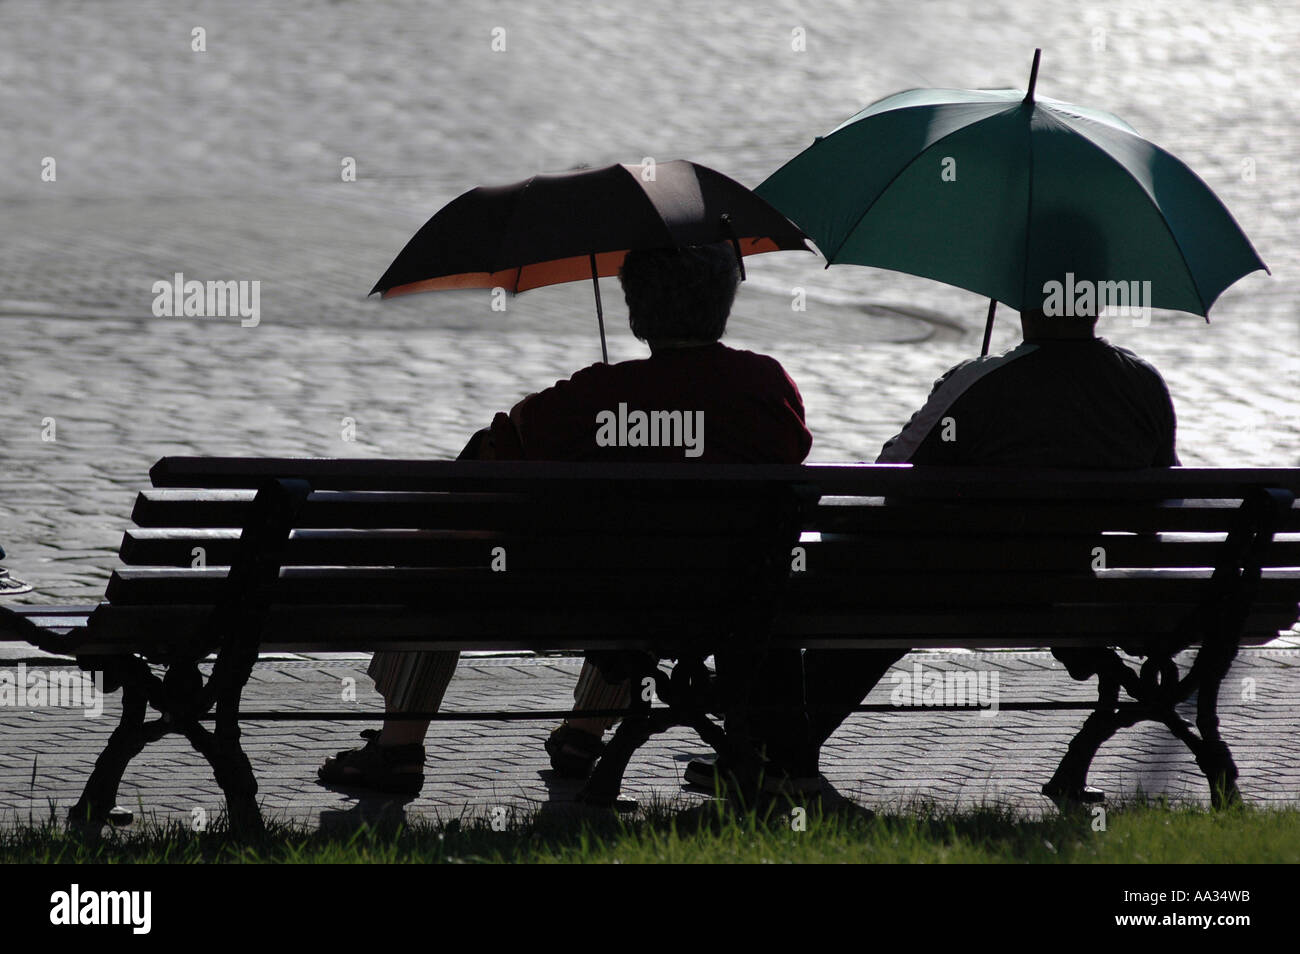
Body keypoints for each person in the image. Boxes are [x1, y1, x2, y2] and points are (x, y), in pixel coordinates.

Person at [318, 242, 813, 793]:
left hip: (587, 599)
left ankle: (399, 747)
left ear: (636, 310)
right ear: (725, 301)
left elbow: (497, 449)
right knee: (644, 568)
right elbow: (793, 451)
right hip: (732, 601)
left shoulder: (594, 395)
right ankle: (583, 733)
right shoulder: (769, 388)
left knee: (444, 562)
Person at [689, 264, 1181, 792]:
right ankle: (774, 764)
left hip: (957, 589)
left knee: (862, 593)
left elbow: (887, 479)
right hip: (1085, 595)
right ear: (1096, 300)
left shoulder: (983, 381)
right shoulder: (1143, 385)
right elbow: (1161, 506)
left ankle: (771, 762)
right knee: (880, 593)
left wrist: (967, 385)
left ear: (1020, 299)